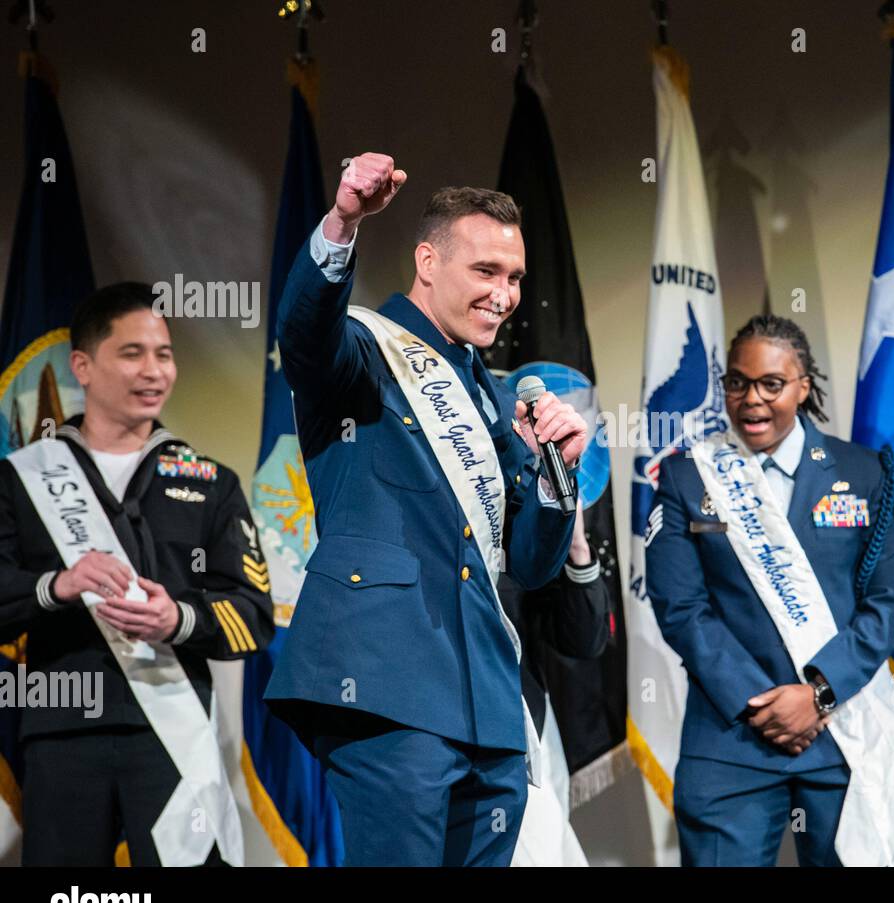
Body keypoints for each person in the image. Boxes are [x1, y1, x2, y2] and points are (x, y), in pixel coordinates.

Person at [264, 153, 587, 866]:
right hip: (387, 688)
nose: (505, 295)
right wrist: (345, 220)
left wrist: (558, 471)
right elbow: (304, 335)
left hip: (489, 706)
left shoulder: (500, 404)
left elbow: (529, 565)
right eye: (485, 272)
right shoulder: (364, 351)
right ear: (427, 261)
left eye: (514, 278)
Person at [0, 282, 274, 866]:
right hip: (60, 733)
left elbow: (255, 618)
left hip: (175, 739)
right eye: (132, 353)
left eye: (165, 353)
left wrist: (180, 618)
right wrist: (55, 587)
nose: (154, 370)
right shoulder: (20, 480)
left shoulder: (210, 482)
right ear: (83, 366)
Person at [645, 314, 894, 866]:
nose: (752, 400)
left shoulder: (865, 472)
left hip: (841, 735)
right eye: (738, 383)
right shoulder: (686, 477)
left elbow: (890, 603)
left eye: (772, 384)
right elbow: (681, 608)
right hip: (731, 744)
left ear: (803, 386)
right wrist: (765, 706)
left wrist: (817, 695)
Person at [499, 502, 611, 865]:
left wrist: (576, 545)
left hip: (530, 734)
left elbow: (583, 640)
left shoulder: (515, 498)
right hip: (432, 735)